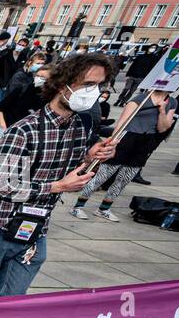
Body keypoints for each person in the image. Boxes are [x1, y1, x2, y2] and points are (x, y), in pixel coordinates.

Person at [0, 52, 119, 300]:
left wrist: (89, 157)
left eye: (98, 85)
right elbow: (1, 185)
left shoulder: (79, 127)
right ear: (63, 84)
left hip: (35, 230)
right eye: (88, 84)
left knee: (11, 299)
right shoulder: (24, 130)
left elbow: (71, 171)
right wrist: (57, 186)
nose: (93, 92)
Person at [71, 87, 176, 221]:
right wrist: (112, 143)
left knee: (124, 178)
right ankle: (78, 206)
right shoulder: (140, 99)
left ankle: (104, 208)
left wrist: (162, 110)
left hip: (145, 141)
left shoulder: (171, 102)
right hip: (126, 138)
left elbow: (163, 128)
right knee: (103, 175)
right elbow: (121, 123)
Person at [0, 52, 47, 131]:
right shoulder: (20, 75)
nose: (40, 65)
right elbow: (14, 96)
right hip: (8, 117)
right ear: (30, 62)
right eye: (38, 63)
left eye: (42, 63)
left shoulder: (33, 77)